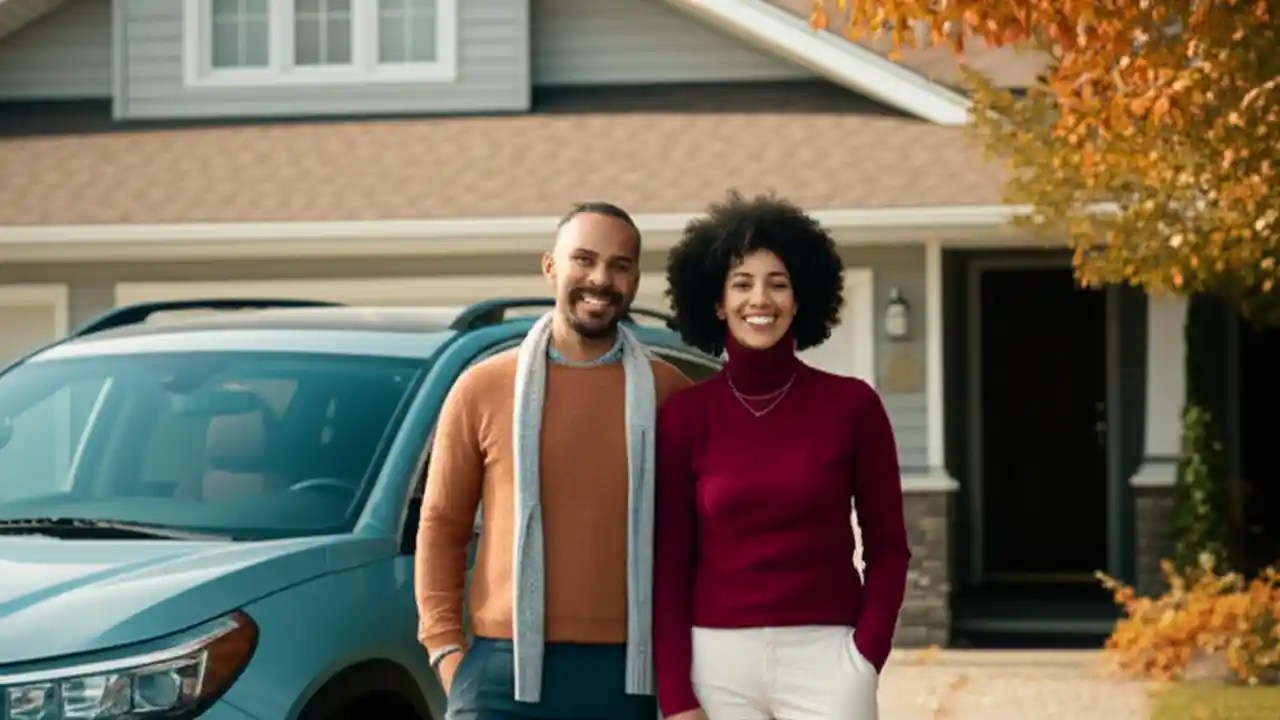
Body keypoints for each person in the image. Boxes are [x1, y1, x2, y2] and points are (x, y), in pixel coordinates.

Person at [415, 201, 692, 720]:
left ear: (634, 281)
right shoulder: (481, 387)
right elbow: (442, 524)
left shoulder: (669, 392)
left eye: (619, 265)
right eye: (583, 259)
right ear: (551, 267)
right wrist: (445, 648)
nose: (600, 278)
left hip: (629, 674)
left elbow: (695, 538)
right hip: (499, 672)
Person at [653, 191, 911, 720]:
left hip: (829, 659)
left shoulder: (853, 405)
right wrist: (677, 695)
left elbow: (890, 549)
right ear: (717, 301)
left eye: (778, 283)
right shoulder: (686, 415)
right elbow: (670, 565)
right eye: (742, 283)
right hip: (717, 662)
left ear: (800, 299)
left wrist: (865, 656)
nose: (760, 300)